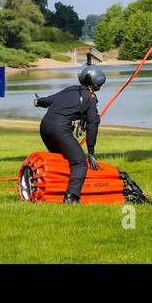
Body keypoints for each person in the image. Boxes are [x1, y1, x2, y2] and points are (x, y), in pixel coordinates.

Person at [34, 65, 106, 204]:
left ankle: (54, 189)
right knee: (80, 162)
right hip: (59, 129)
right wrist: (91, 152)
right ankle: (72, 197)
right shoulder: (90, 99)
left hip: (45, 127)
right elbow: (92, 126)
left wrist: (38, 101)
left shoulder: (70, 89)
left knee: (61, 160)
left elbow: (49, 100)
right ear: (97, 84)